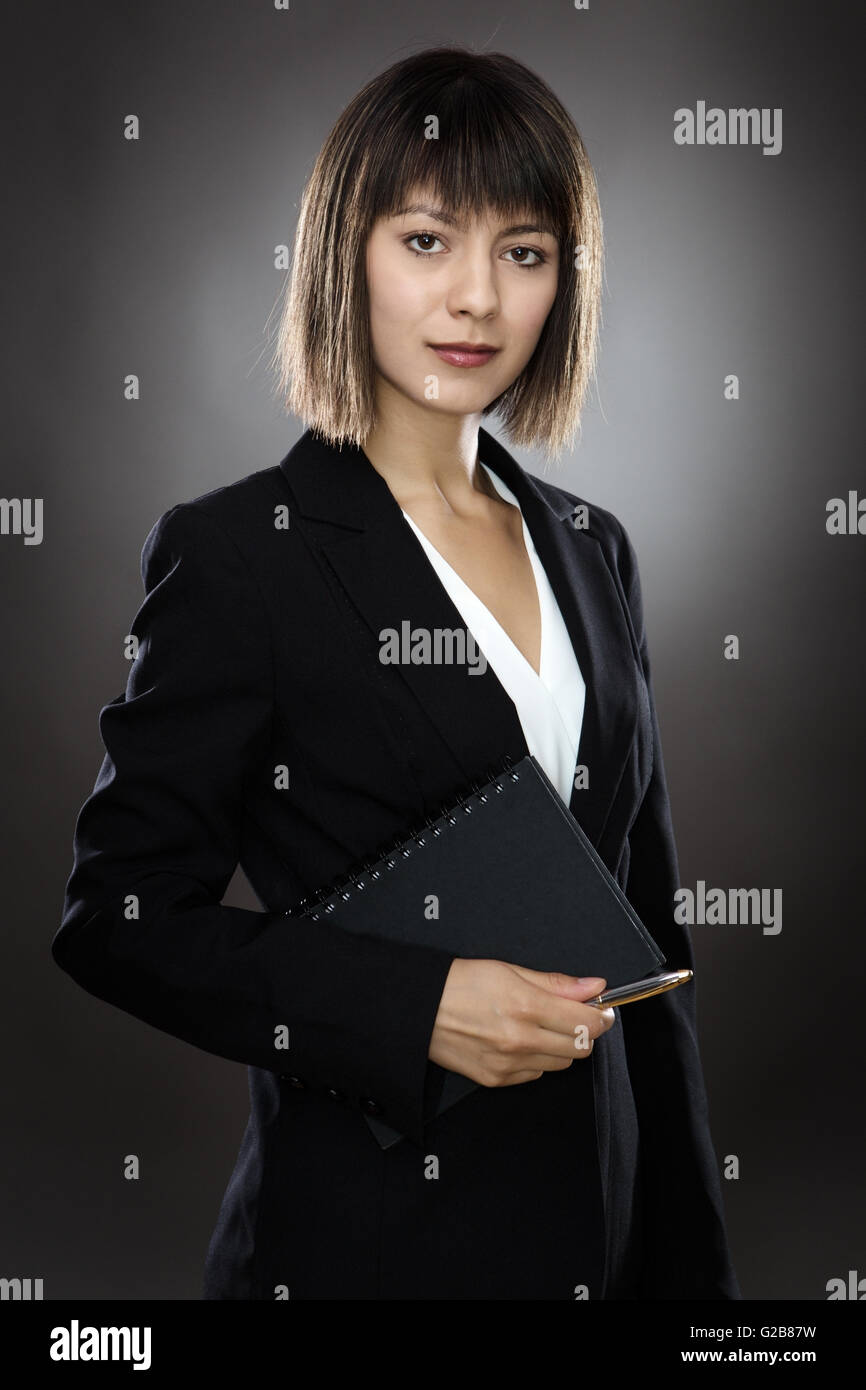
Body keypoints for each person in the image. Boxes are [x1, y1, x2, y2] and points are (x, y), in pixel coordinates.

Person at [52, 46, 741, 1301]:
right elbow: (118, 918)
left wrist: (697, 1296)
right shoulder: (237, 555)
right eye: (427, 241)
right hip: (363, 1246)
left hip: (601, 1231)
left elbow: (652, 952)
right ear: (343, 254)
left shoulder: (594, 550)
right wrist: (411, 1003)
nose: (475, 298)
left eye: (523, 253)